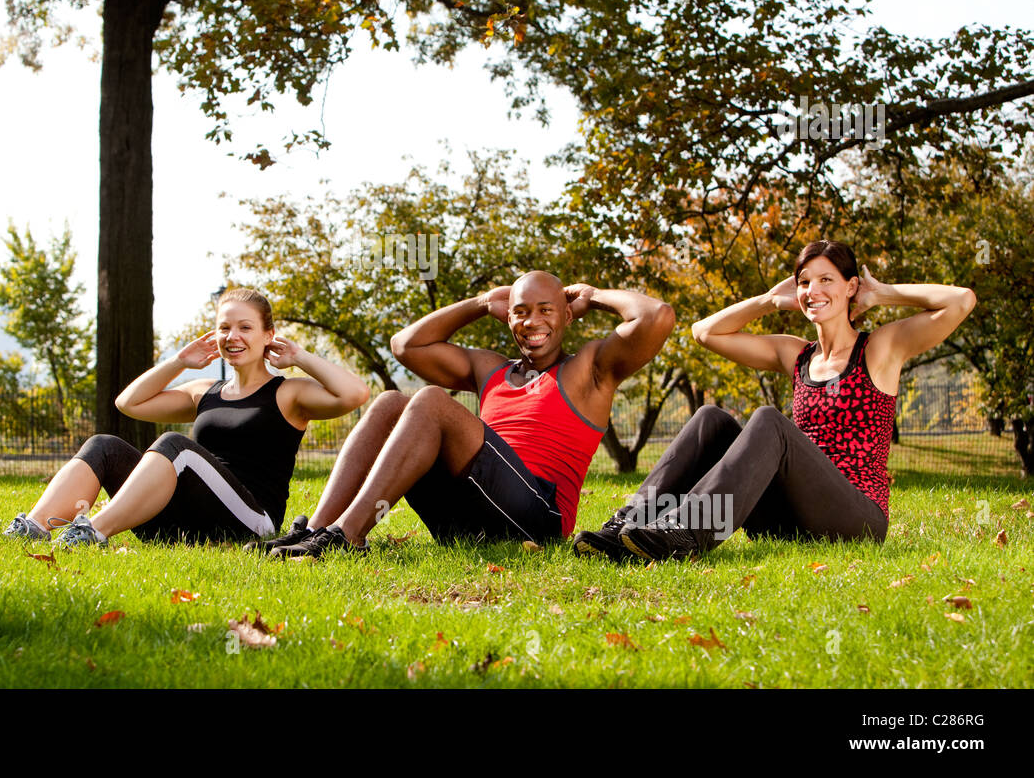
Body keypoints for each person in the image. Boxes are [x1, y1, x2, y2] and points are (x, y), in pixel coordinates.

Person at [573, 240, 976, 563]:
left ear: (851, 287)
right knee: (711, 418)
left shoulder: (879, 348)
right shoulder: (796, 354)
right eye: (804, 282)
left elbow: (961, 300)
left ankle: (684, 531)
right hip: (791, 518)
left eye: (826, 280)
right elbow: (705, 332)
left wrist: (884, 294)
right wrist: (768, 300)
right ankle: (626, 524)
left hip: (856, 519)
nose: (812, 290)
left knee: (768, 419)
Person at [260, 271, 674, 559]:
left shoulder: (590, 368)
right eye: (521, 311)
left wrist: (593, 294)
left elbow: (656, 316)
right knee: (390, 402)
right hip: (473, 515)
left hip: (538, 520)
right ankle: (314, 531)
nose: (533, 321)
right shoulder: (490, 367)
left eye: (547, 310)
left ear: (567, 315)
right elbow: (406, 345)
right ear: (507, 316)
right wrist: (479, 303)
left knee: (432, 401)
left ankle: (347, 537)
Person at [2, 288, 370, 547]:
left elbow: (356, 394)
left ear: (268, 335)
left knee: (176, 446)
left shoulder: (288, 393)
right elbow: (128, 402)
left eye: (245, 327)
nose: (232, 336)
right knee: (105, 446)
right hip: (184, 521)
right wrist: (179, 361)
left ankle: (92, 531)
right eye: (224, 327)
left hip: (251, 520)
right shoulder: (204, 391)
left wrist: (300, 357)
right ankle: (33, 526)